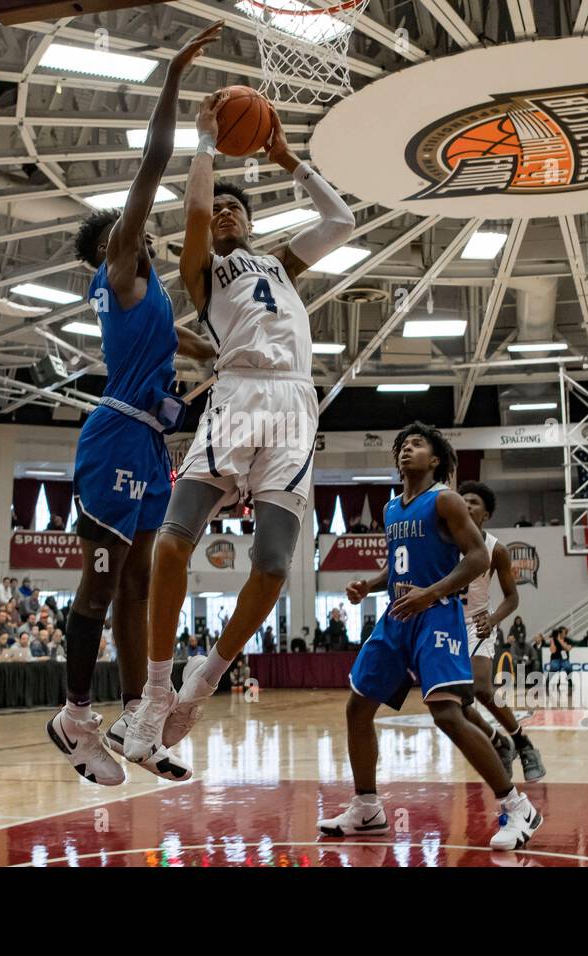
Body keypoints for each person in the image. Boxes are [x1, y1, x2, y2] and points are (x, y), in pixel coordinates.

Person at [125, 78, 357, 765]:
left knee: (276, 563)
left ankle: (208, 675)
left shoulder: (280, 266)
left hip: (295, 404)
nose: (224, 213)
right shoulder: (201, 270)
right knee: (173, 540)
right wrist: (203, 141)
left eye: (235, 208)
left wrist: (288, 158)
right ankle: (157, 691)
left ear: (252, 224)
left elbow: (341, 221)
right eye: (218, 208)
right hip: (237, 393)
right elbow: (195, 207)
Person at [52, 24, 222, 789]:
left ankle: (130, 717)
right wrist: (176, 78)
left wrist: (227, 354)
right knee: (99, 583)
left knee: (137, 586)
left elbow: (187, 337)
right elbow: (152, 165)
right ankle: (73, 714)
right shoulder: (120, 270)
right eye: (132, 228)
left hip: (152, 444)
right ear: (112, 249)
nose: (143, 230)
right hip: (116, 439)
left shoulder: (149, 295)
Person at [319, 423, 541, 848]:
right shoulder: (390, 509)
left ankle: (518, 808)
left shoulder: (446, 500)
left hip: (438, 615)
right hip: (397, 615)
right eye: (402, 444)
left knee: (447, 714)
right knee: (357, 709)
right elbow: (400, 568)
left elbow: (477, 557)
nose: (407, 449)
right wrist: (369, 584)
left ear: (436, 459)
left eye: (417, 444)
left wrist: (432, 593)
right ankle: (367, 807)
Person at [455, 480, 545, 782]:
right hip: (444, 626)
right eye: (462, 500)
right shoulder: (442, 542)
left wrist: (492, 621)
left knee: (481, 687)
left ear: (487, 514)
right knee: (458, 705)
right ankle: (499, 743)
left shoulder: (497, 549)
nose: (467, 504)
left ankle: (524, 743)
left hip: (477, 625)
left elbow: (512, 597)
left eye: (474, 502)